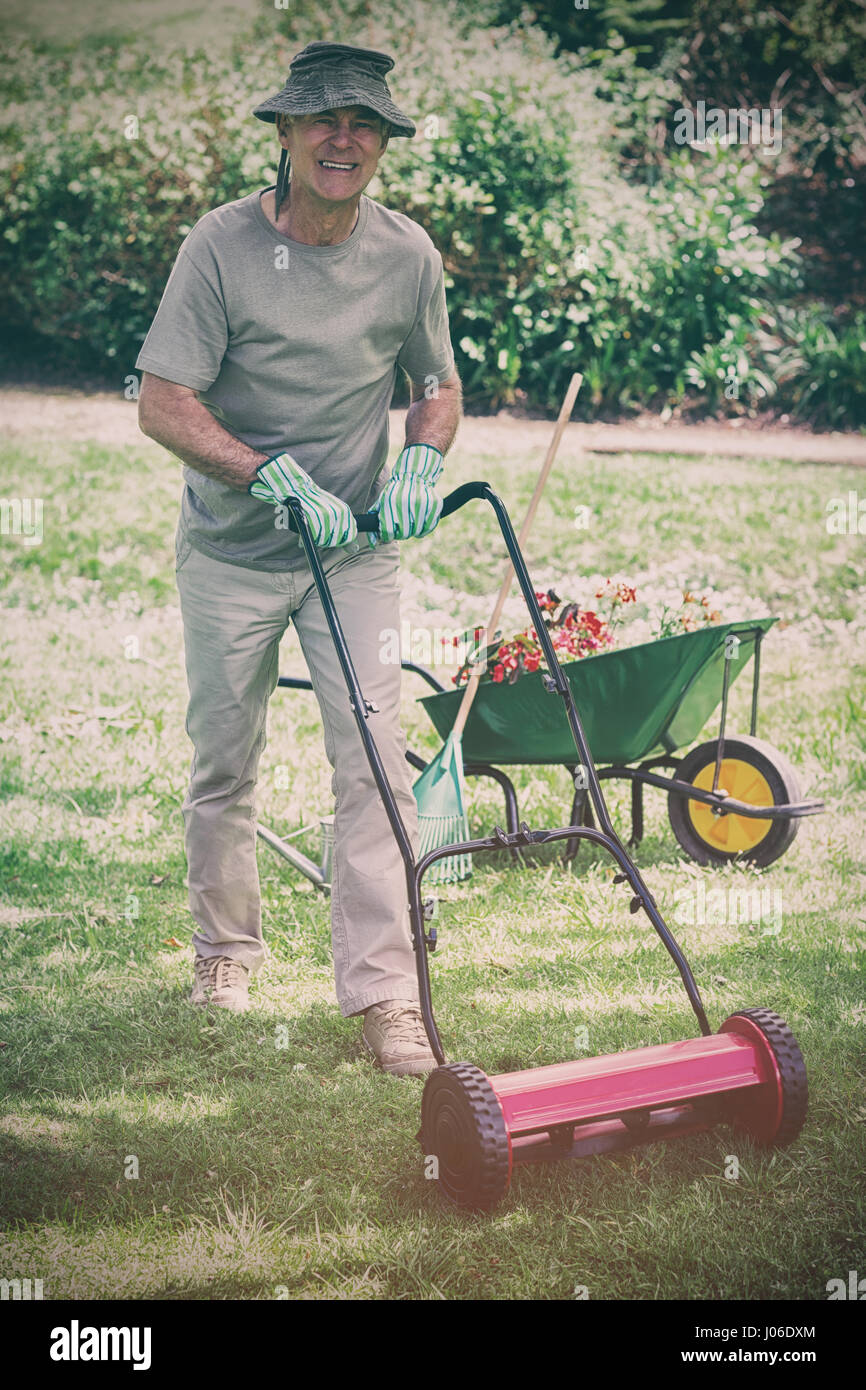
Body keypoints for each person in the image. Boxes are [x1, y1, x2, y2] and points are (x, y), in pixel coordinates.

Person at [135, 40, 462, 1076]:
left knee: (374, 761)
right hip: (234, 549)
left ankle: (385, 998)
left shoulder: (406, 255)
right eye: (321, 120)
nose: (342, 138)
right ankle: (224, 955)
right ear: (282, 134)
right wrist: (260, 471)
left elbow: (435, 384)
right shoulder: (220, 247)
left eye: (362, 124)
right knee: (225, 760)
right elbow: (162, 400)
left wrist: (421, 456)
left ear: (382, 145)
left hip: (354, 551)